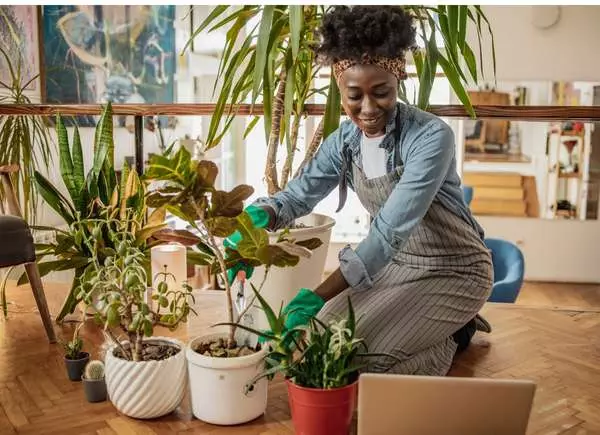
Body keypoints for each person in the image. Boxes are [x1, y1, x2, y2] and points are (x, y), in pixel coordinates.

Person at [228, 5, 493, 376]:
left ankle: (455, 330)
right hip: (393, 268)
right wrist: (258, 218)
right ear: (340, 90)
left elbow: (387, 234)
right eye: (354, 96)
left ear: (398, 79)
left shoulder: (431, 137)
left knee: (359, 359)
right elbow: (297, 195)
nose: (368, 108)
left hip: (454, 270)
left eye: (381, 92)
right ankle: (439, 324)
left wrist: (317, 295)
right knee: (320, 343)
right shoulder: (344, 142)